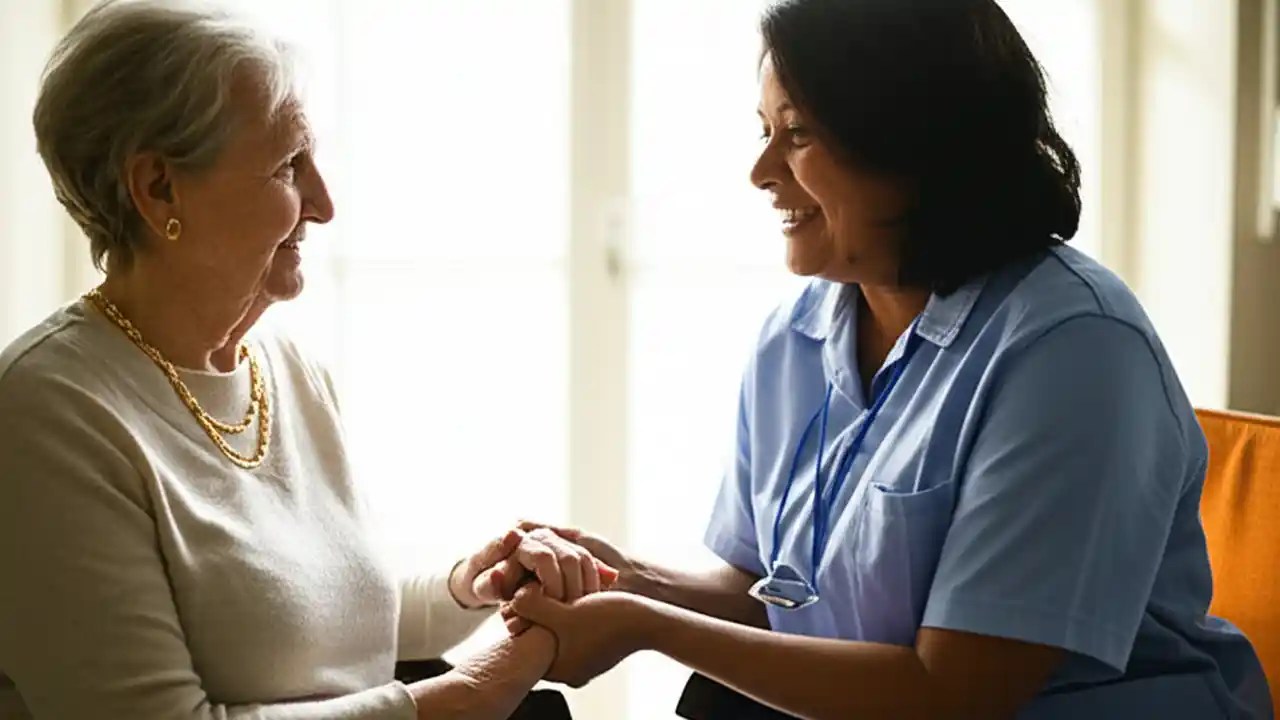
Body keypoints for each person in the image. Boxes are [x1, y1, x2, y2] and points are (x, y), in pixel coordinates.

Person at [501, 0, 1274, 718]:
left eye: (798, 133)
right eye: (764, 129)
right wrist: (613, 579)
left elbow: (954, 695)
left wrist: (645, 627)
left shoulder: (1075, 351)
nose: (762, 171)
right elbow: (768, 595)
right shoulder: (793, 338)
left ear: (911, 141)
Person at [0, 2, 611, 718]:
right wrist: (478, 689)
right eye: (290, 165)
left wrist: (470, 587)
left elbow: (318, 633)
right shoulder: (48, 412)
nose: (323, 203)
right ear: (158, 187)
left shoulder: (287, 370)